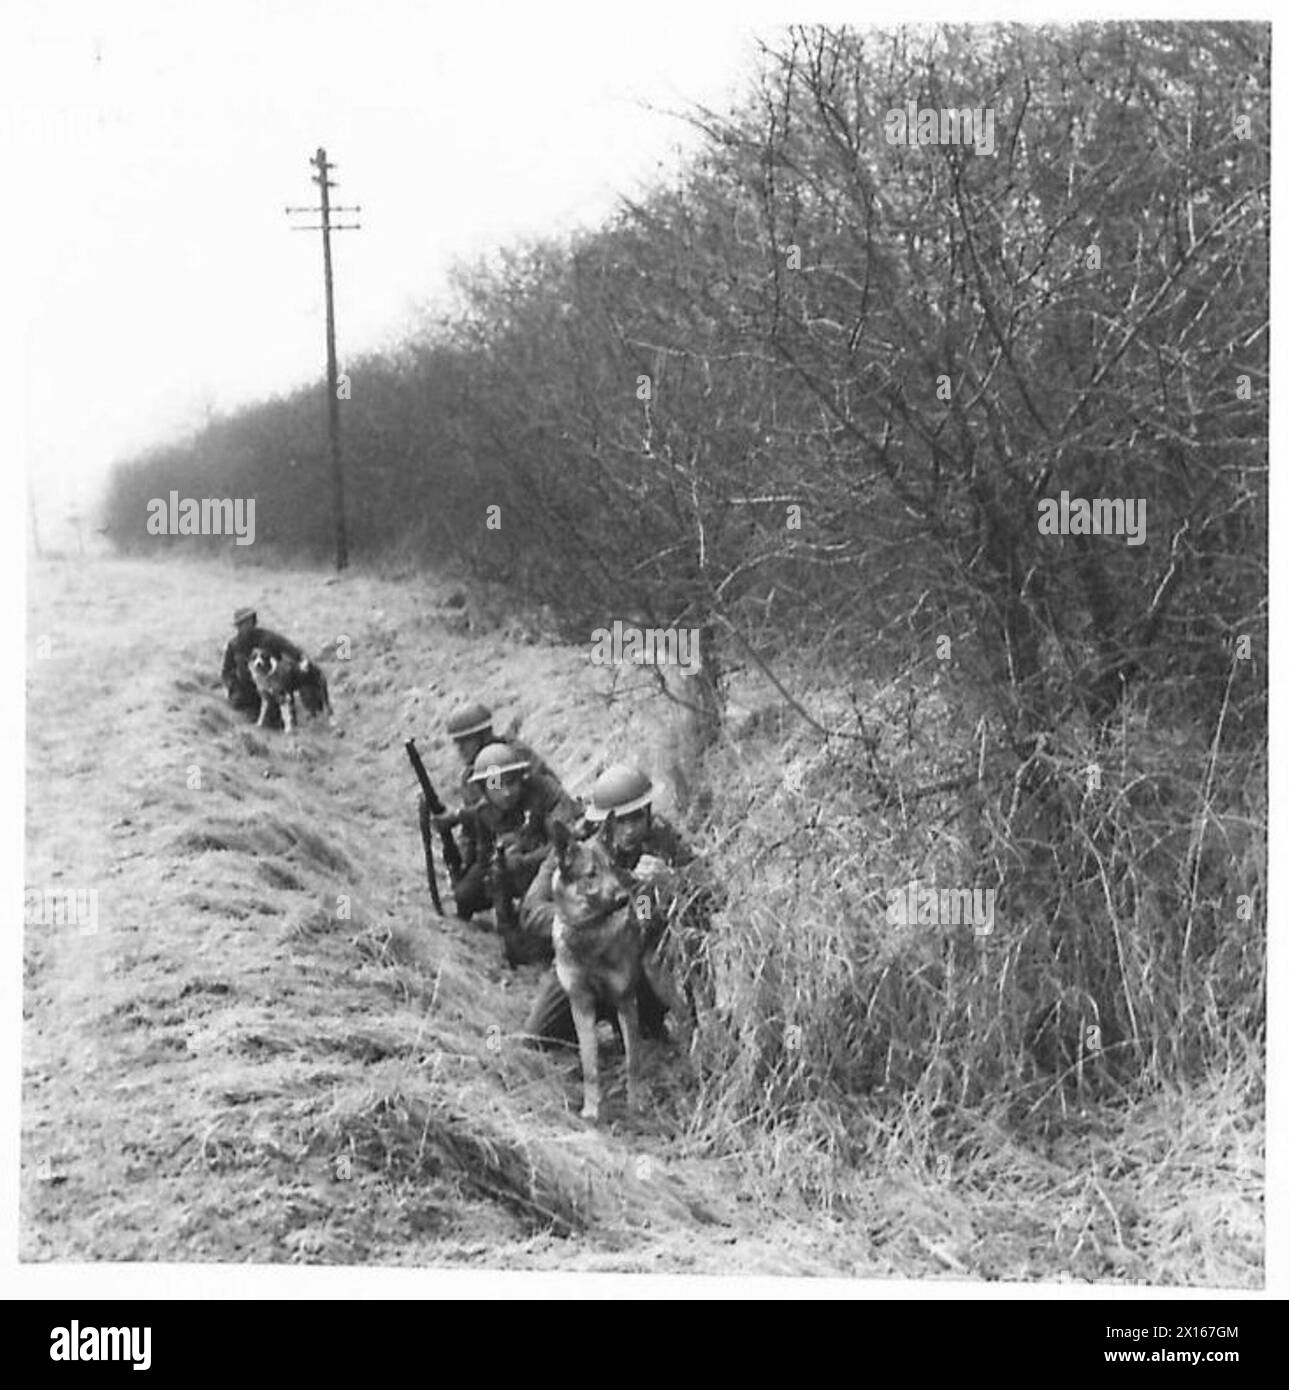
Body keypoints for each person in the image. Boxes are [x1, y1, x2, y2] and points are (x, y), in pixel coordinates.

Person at [519, 763, 708, 1048]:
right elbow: (532, 912)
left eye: (636, 818)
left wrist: (670, 883)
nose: (630, 830)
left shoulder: (663, 840)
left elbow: (711, 896)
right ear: (601, 822)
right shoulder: (578, 850)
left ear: (648, 813)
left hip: (637, 963)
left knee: (654, 1035)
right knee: (536, 1039)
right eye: (620, 821)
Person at [453, 741, 580, 956]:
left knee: (534, 930)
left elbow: (563, 846)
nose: (506, 792)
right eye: (496, 785)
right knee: (465, 896)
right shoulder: (485, 813)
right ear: (484, 789)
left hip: (550, 868)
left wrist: (524, 859)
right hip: (515, 873)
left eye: (512, 783)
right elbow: (483, 857)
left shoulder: (543, 792)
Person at [220, 607, 306, 723]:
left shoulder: (268, 638)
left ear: (253, 622)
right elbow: (226, 671)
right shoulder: (234, 645)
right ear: (238, 627)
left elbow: (289, 648)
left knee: (278, 712)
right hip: (247, 689)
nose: (246, 627)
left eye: (249, 622)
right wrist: (231, 687)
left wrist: (302, 661)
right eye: (242, 624)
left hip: (272, 685)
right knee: (238, 704)